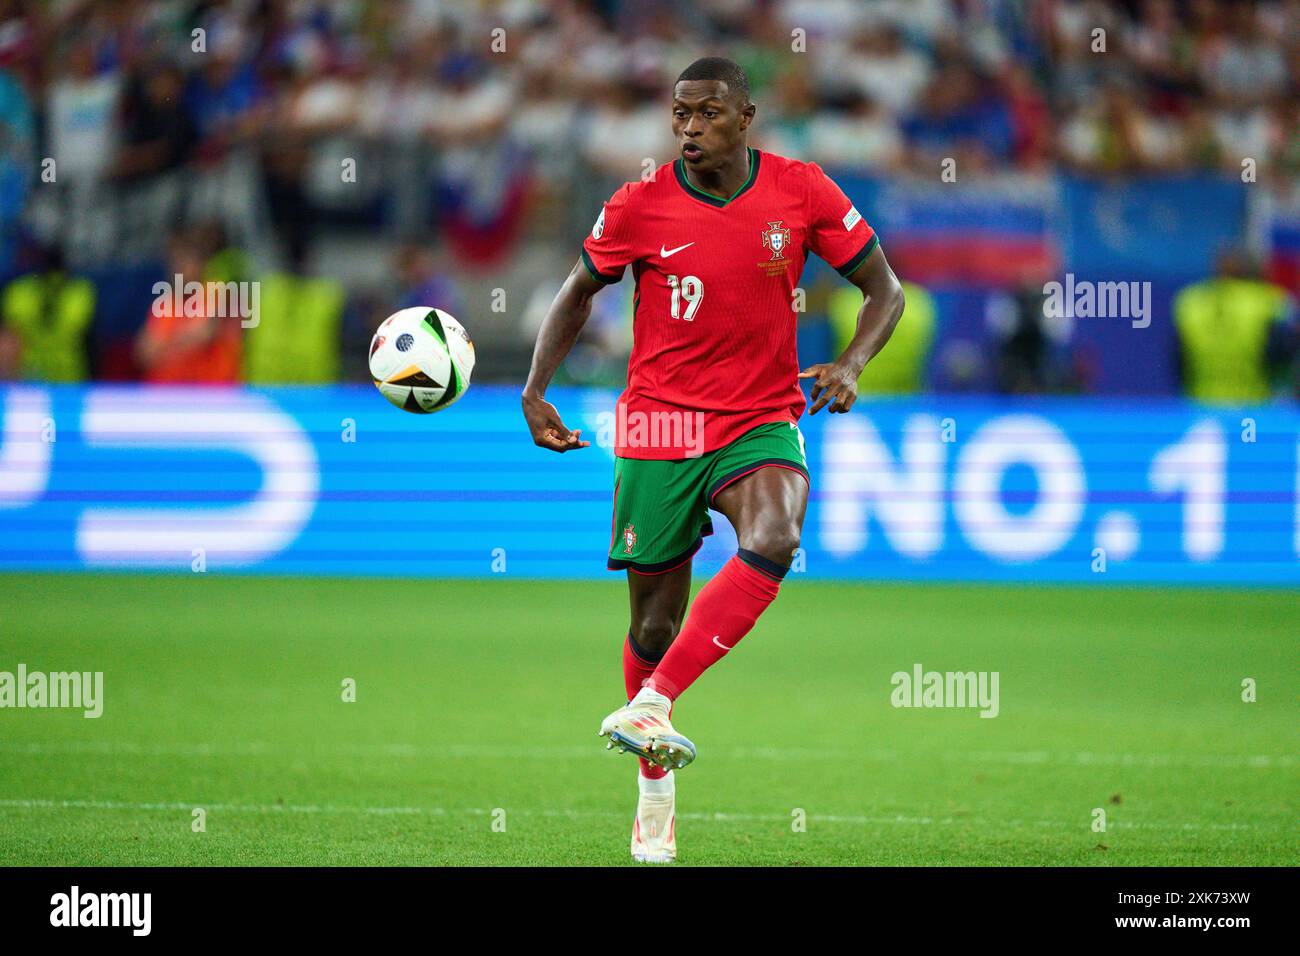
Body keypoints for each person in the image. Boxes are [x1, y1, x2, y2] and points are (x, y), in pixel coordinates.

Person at [521, 57, 904, 863]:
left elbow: (885, 292)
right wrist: (535, 390)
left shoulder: (803, 191)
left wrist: (852, 364)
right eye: (679, 114)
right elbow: (578, 291)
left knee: (777, 536)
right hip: (659, 426)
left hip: (760, 417)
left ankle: (654, 703)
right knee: (653, 622)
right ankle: (653, 785)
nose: (689, 128)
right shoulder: (639, 203)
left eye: (706, 113)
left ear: (746, 117)